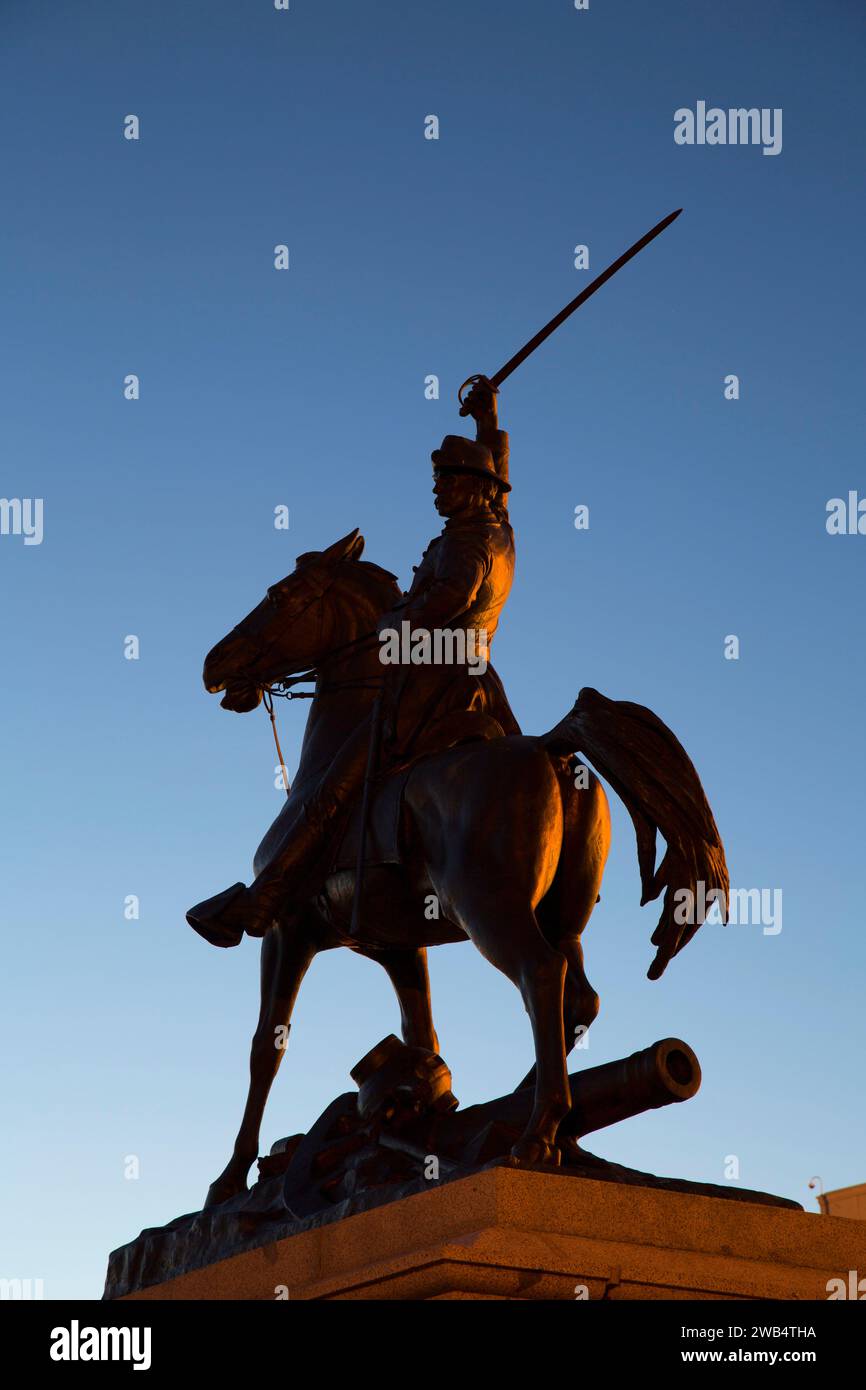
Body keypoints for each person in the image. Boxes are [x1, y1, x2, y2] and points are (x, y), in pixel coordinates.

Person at [186, 379, 519, 947]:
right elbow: (500, 479)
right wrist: (488, 420)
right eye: (437, 479)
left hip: (434, 681)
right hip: (479, 684)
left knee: (334, 784)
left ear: (472, 488)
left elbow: (452, 598)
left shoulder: (466, 542)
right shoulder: (497, 527)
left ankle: (265, 897)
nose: (437, 489)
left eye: (446, 480)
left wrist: (389, 624)